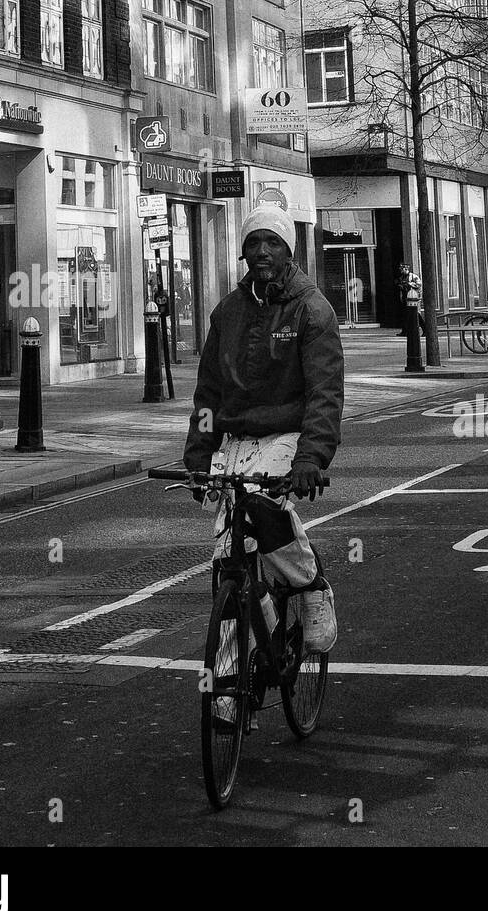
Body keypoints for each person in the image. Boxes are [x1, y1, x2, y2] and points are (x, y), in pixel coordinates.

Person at [184, 204, 344, 655]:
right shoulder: (227, 314)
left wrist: (310, 459)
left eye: (272, 242)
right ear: (242, 252)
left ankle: (311, 584)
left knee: (259, 507)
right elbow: (209, 395)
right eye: (253, 242)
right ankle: (230, 693)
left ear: (288, 251)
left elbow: (324, 396)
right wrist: (198, 453)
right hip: (235, 440)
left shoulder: (312, 310)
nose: (261, 251)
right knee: (227, 556)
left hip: (288, 435)